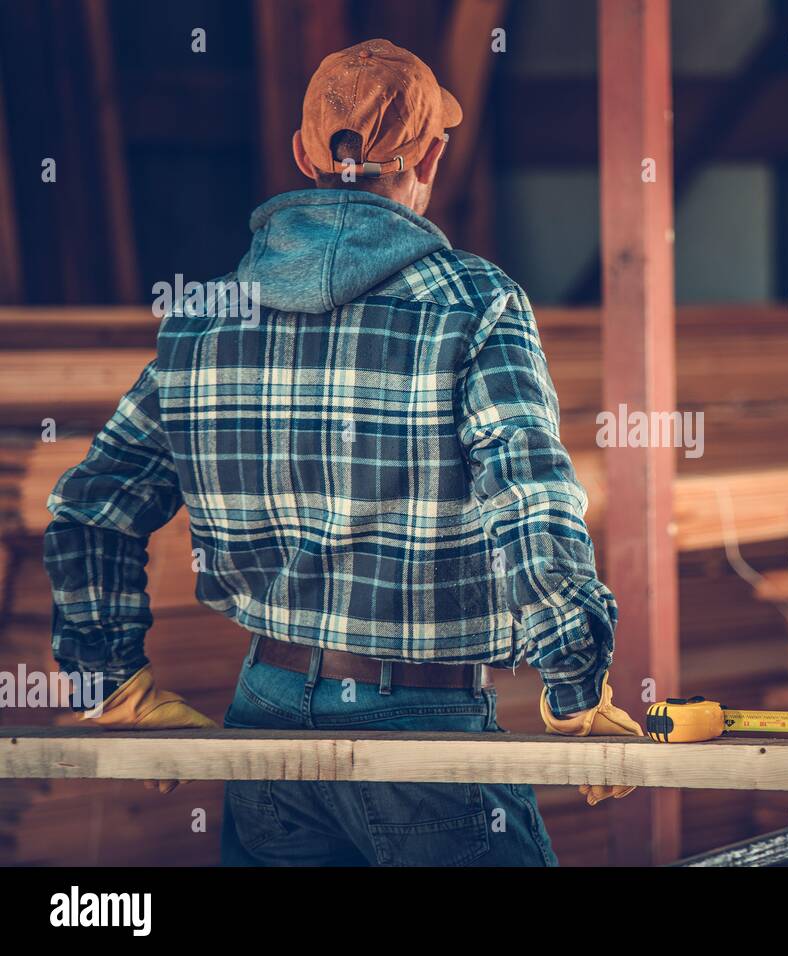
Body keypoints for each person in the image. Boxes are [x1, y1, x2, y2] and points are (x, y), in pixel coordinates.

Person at [43, 38, 641, 867]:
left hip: (266, 716)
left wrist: (111, 682)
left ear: (301, 154)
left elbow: (89, 507)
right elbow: (531, 505)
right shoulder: (475, 304)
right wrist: (576, 683)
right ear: (431, 154)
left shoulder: (208, 319)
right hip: (424, 734)